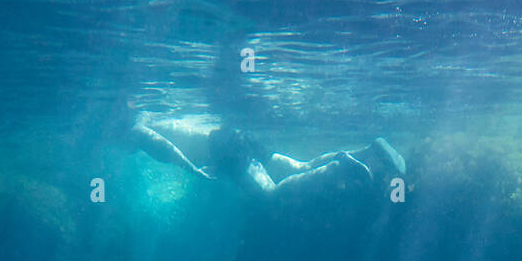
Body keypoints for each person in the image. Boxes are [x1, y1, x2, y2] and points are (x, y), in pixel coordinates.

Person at [125, 105, 405, 202]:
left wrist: (191, 170)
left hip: (222, 150)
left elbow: (165, 149)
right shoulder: (151, 114)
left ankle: (338, 168)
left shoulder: (136, 128)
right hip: (232, 136)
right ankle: (369, 150)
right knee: (300, 166)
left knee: (271, 195)